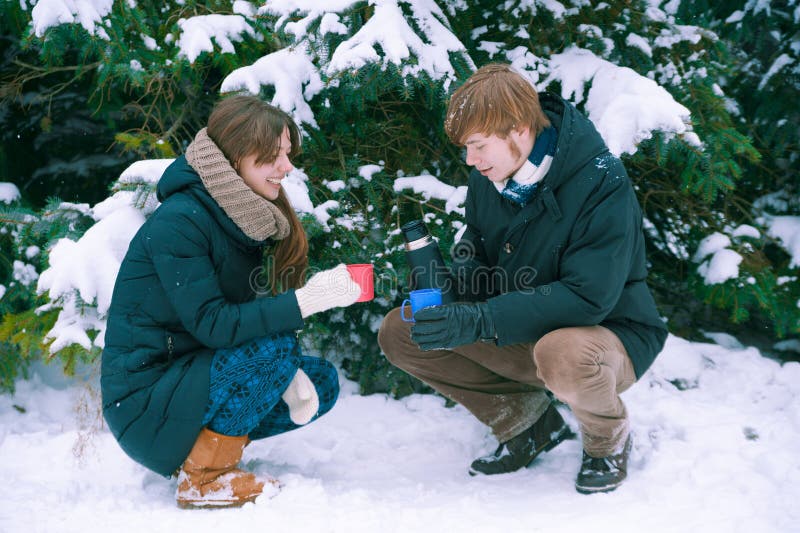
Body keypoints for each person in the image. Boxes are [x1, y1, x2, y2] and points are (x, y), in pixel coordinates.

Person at [378, 63, 668, 494]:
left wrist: (478, 320)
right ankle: (528, 424)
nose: (470, 161)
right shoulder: (490, 178)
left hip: (608, 338)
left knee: (563, 352)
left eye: (478, 146)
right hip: (522, 326)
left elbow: (588, 297)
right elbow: (477, 247)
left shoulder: (601, 181)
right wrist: (452, 282)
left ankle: (608, 439)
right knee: (402, 329)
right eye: (466, 149)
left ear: (517, 128)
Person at [101, 95, 362, 508]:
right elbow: (215, 325)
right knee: (278, 349)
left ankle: (210, 449)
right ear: (236, 158)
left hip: (188, 378)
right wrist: (307, 301)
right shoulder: (181, 221)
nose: (287, 168)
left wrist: (281, 371)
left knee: (321, 382)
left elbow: (229, 328)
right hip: (145, 404)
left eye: (287, 154)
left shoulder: (237, 216)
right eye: (273, 157)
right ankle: (205, 477)